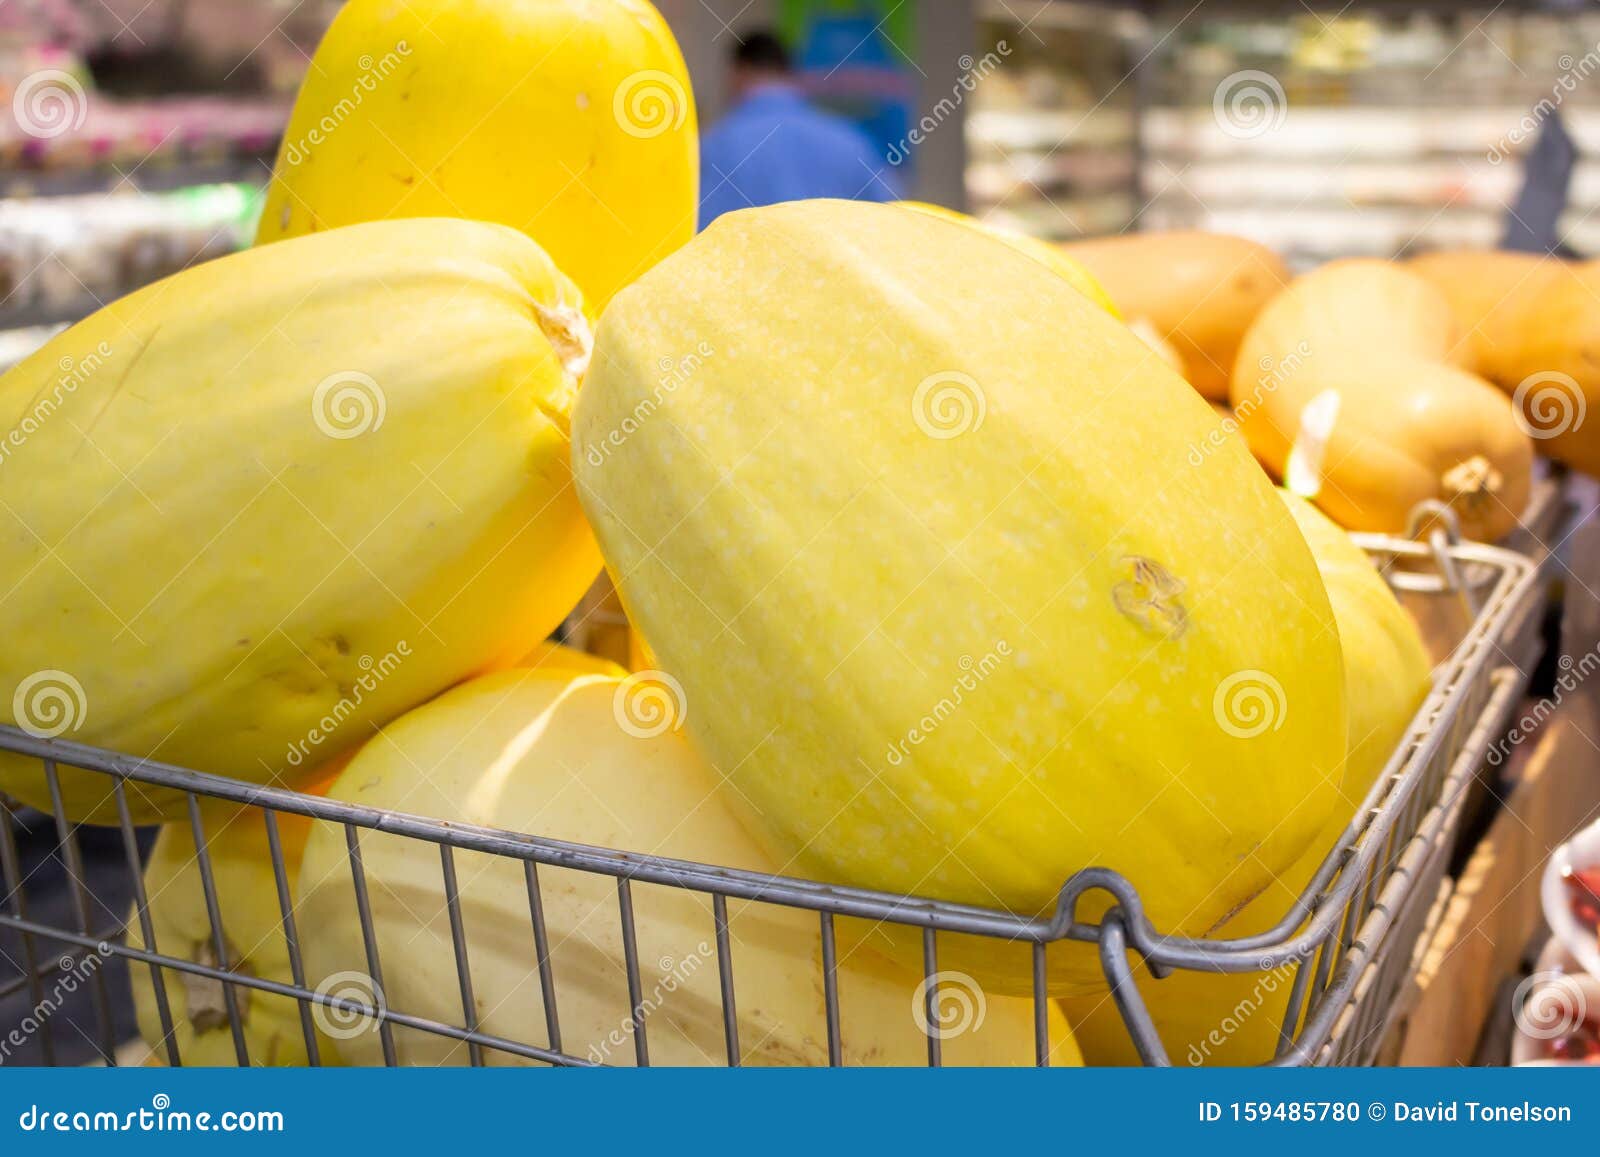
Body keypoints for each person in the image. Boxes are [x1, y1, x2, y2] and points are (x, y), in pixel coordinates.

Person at [698, 30, 901, 230]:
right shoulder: (852, 143)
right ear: (789, 72)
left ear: (737, 73)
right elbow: (889, 226)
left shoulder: (714, 147)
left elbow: (694, 239)